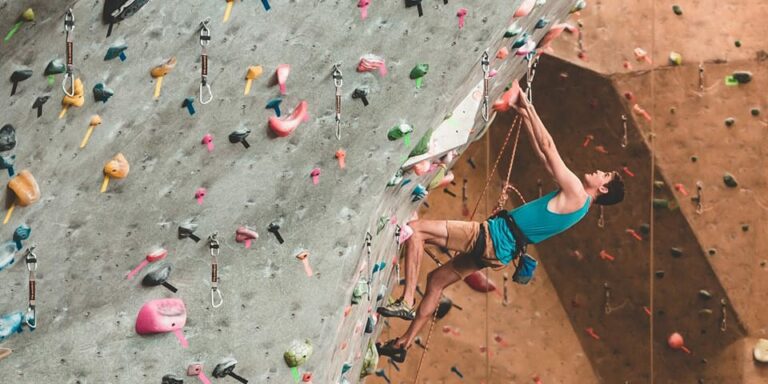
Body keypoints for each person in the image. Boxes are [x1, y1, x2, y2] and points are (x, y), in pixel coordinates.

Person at [376, 92, 625, 361]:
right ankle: (404, 343)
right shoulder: (579, 207)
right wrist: (524, 113)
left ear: (602, 187)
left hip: (493, 236)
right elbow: (544, 157)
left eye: (605, 174)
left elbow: (549, 146)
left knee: (418, 230)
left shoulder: (578, 192)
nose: (600, 171)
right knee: (436, 281)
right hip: (501, 252)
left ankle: (407, 300)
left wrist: (528, 104)